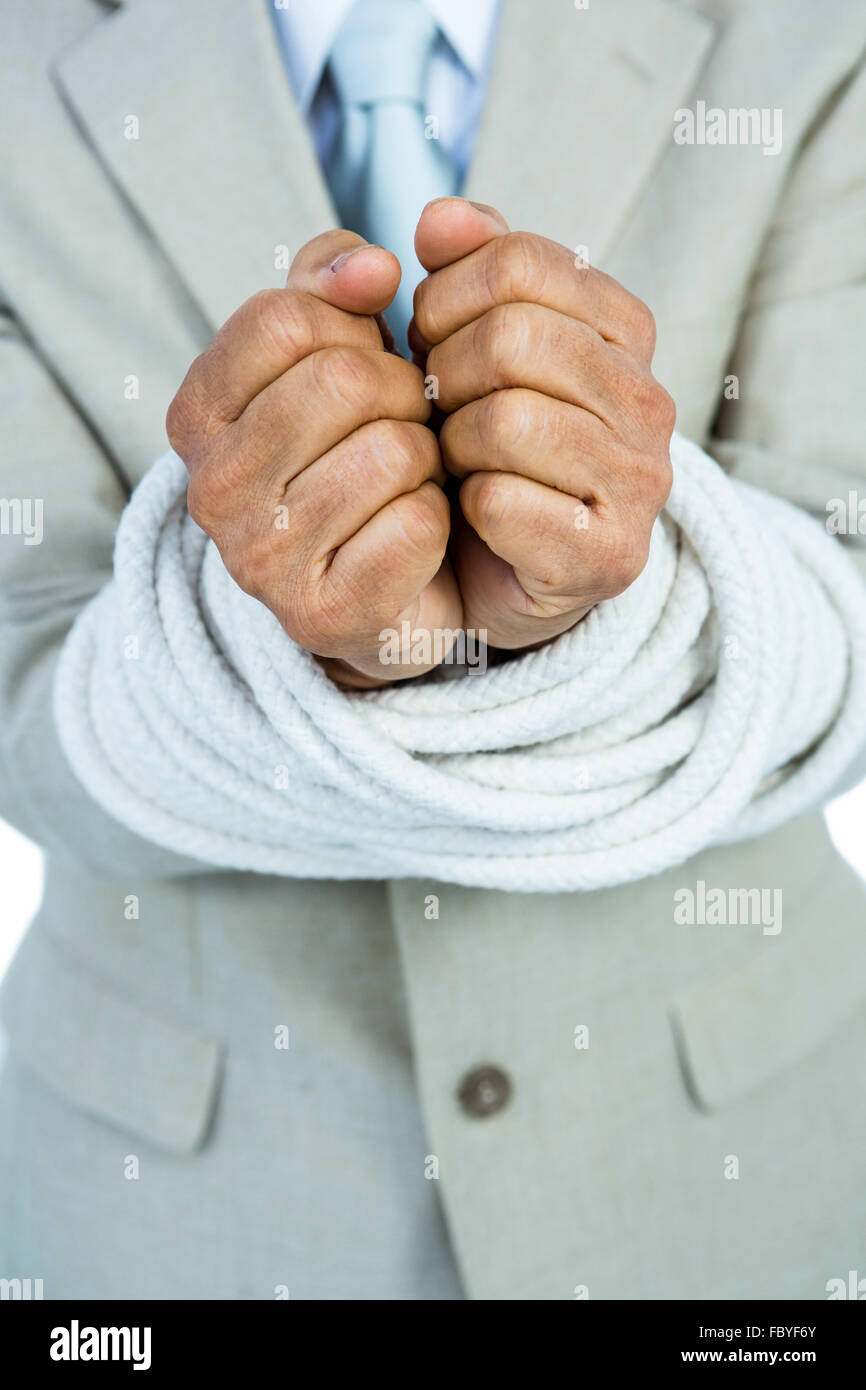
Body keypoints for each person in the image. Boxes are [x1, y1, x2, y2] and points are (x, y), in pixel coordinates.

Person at [0, 0, 864, 1301]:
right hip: (184, 1224)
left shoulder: (809, 30)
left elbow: (843, 616)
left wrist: (587, 611)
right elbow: (23, 697)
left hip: (719, 1182)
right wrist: (307, 637)